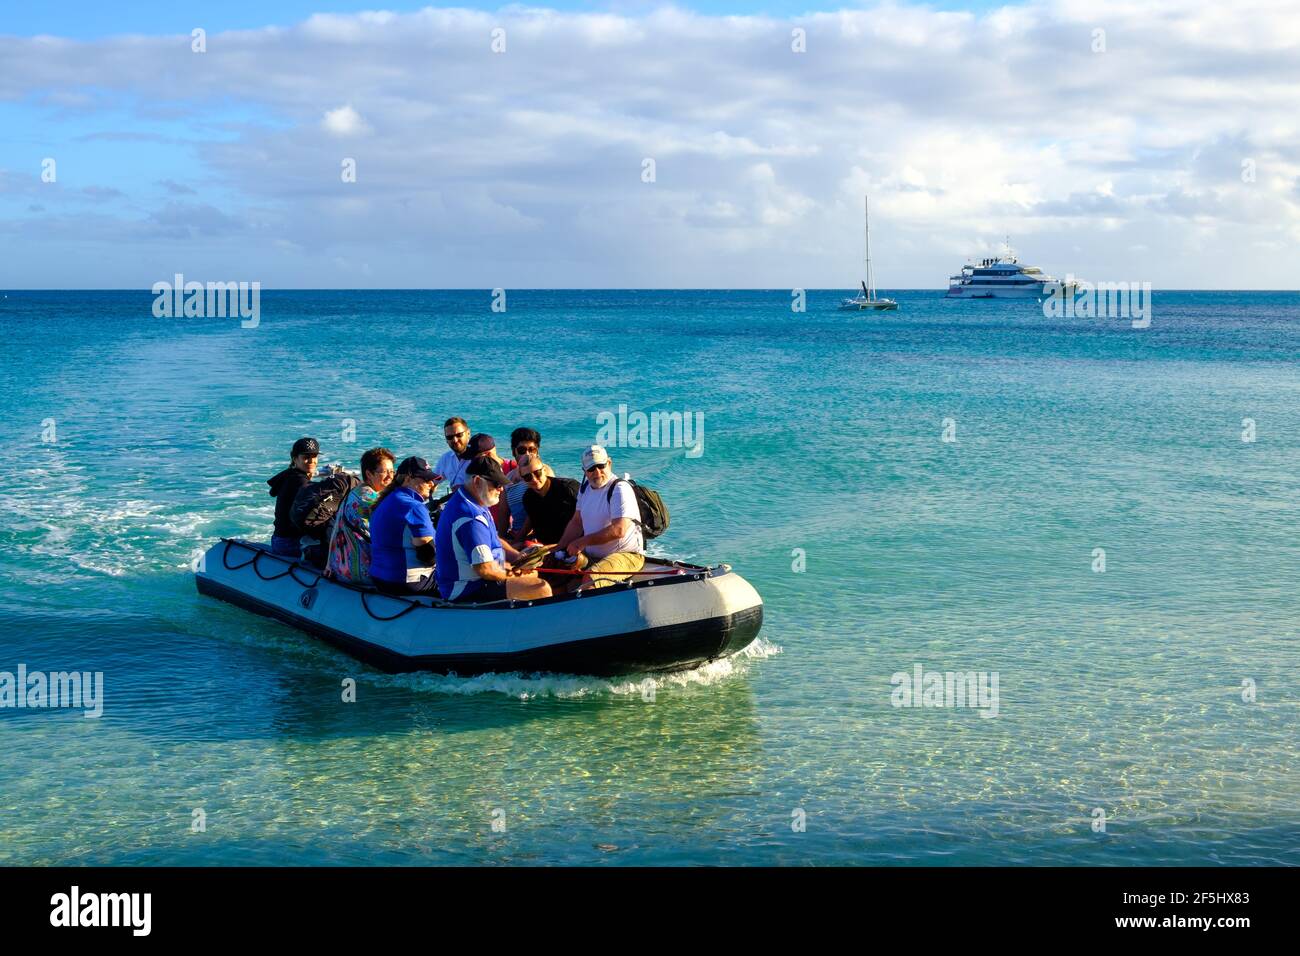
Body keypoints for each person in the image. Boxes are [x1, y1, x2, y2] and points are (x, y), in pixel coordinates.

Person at [435, 457, 551, 603]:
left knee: (532, 574)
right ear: (477, 481)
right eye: (496, 484)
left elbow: (493, 539)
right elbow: (484, 569)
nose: (501, 489)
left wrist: (517, 558)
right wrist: (509, 574)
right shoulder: (470, 518)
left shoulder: (472, 500)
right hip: (466, 589)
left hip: (475, 579)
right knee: (541, 588)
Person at [556, 445, 645, 589]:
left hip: (625, 555)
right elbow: (576, 523)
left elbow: (619, 530)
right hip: (592, 555)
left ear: (609, 463)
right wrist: (559, 548)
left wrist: (582, 542)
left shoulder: (619, 489)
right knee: (558, 575)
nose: (597, 472)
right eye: (591, 469)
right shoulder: (584, 488)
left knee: (590, 579)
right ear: (584, 471)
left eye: (601, 466)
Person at [368, 457, 441, 595]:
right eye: (426, 479)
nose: (431, 483)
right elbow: (428, 556)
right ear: (408, 479)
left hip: (379, 579)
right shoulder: (415, 507)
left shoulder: (383, 502)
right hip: (408, 582)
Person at [326, 447, 396, 584]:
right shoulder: (369, 500)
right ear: (369, 474)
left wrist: (328, 563)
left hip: (340, 566)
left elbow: (335, 530)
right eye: (384, 472)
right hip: (361, 573)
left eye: (392, 471)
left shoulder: (355, 492)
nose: (390, 476)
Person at [267, 437, 319, 557]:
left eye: (314, 456)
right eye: (306, 457)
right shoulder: (300, 482)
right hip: (290, 544)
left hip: (278, 539)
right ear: (295, 458)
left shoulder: (289, 474)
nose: (311, 461)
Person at [498, 428, 550, 541]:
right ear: (513, 452)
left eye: (532, 450)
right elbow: (503, 516)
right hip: (517, 536)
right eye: (522, 450)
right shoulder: (508, 480)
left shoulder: (544, 473)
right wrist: (501, 542)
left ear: (537, 451)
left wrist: (519, 539)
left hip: (538, 537)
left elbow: (542, 508)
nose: (527, 454)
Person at [518, 453, 577, 545]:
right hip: (546, 549)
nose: (534, 479)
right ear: (522, 479)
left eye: (537, 473)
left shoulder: (568, 488)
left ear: (544, 470)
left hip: (574, 545)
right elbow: (532, 522)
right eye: (527, 477)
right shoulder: (528, 498)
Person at [435, 417, 473, 492]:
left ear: (468, 433)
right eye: (449, 437)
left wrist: (464, 488)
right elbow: (434, 481)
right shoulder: (446, 459)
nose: (455, 440)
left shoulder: (479, 458)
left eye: (459, 435)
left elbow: (492, 488)